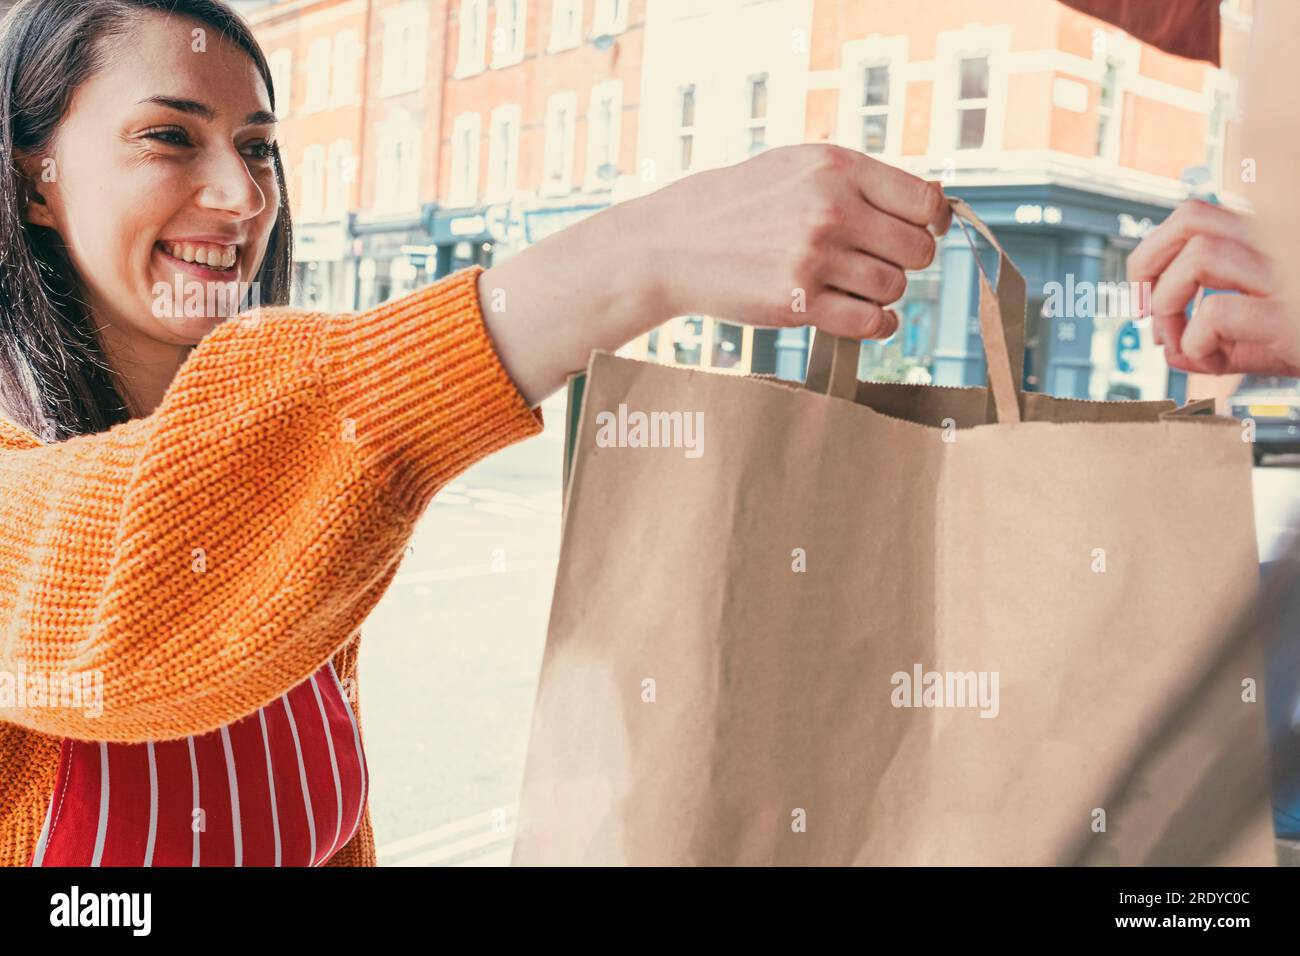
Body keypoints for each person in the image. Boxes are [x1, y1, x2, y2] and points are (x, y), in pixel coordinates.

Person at [0, 0, 950, 867]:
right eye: (169, 137)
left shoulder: (288, 500)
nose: (242, 198)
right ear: (33, 180)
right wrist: (638, 257)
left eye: (258, 149)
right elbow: (128, 587)